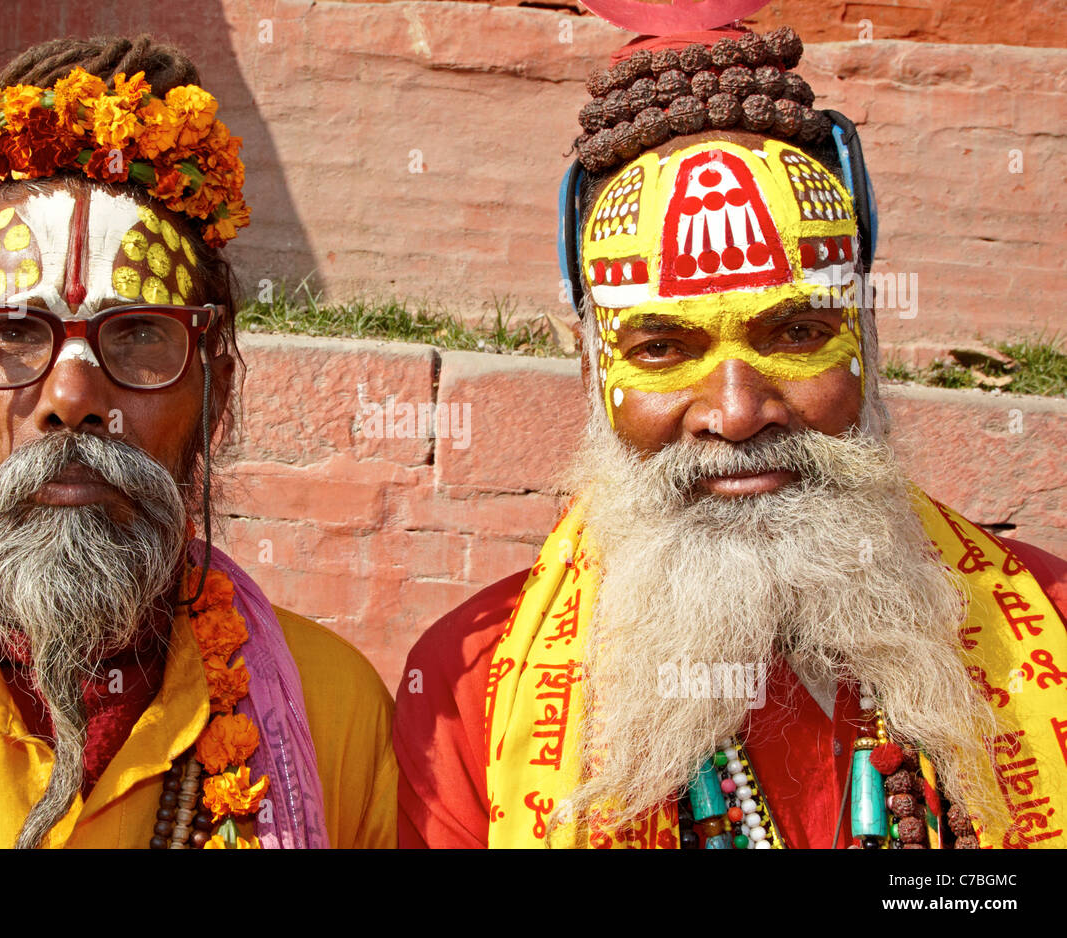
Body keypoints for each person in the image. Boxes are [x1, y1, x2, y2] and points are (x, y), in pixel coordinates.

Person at [394, 20, 1067, 849]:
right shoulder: (469, 692)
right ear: (590, 371)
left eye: (795, 335)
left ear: (869, 344)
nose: (737, 412)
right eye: (663, 349)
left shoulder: (1051, 633)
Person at [0, 35, 395, 849]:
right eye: (13, 333)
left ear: (220, 395)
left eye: (137, 335)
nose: (71, 400)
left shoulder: (337, 713)